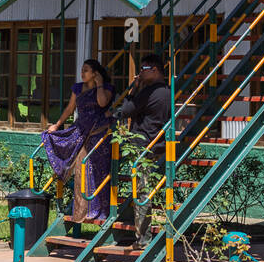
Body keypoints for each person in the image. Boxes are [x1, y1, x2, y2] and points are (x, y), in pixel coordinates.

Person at [43, 59, 114, 224]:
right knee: (82, 169)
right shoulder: (77, 88)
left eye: (86, 70)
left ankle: (101, 211)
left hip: (99, 134)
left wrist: (100, 84)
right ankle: (82, 212)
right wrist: (57, 125)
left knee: (100, 171)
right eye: (82, 70)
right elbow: (70, 109)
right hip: (81, 132)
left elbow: (103, 102)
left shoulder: (107, 88)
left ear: (95, 73)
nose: (82, 73)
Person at [109, 55, 171, 245]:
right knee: (145, 190)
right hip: (157, 144)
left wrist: (133, 89)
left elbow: (127, 109)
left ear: (155, 70)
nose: (140, 73)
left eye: (143, 68)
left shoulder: (149, 91)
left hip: (143, 145)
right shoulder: (167, 91)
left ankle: (143, 239)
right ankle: (141, 234)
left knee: (142, 191)